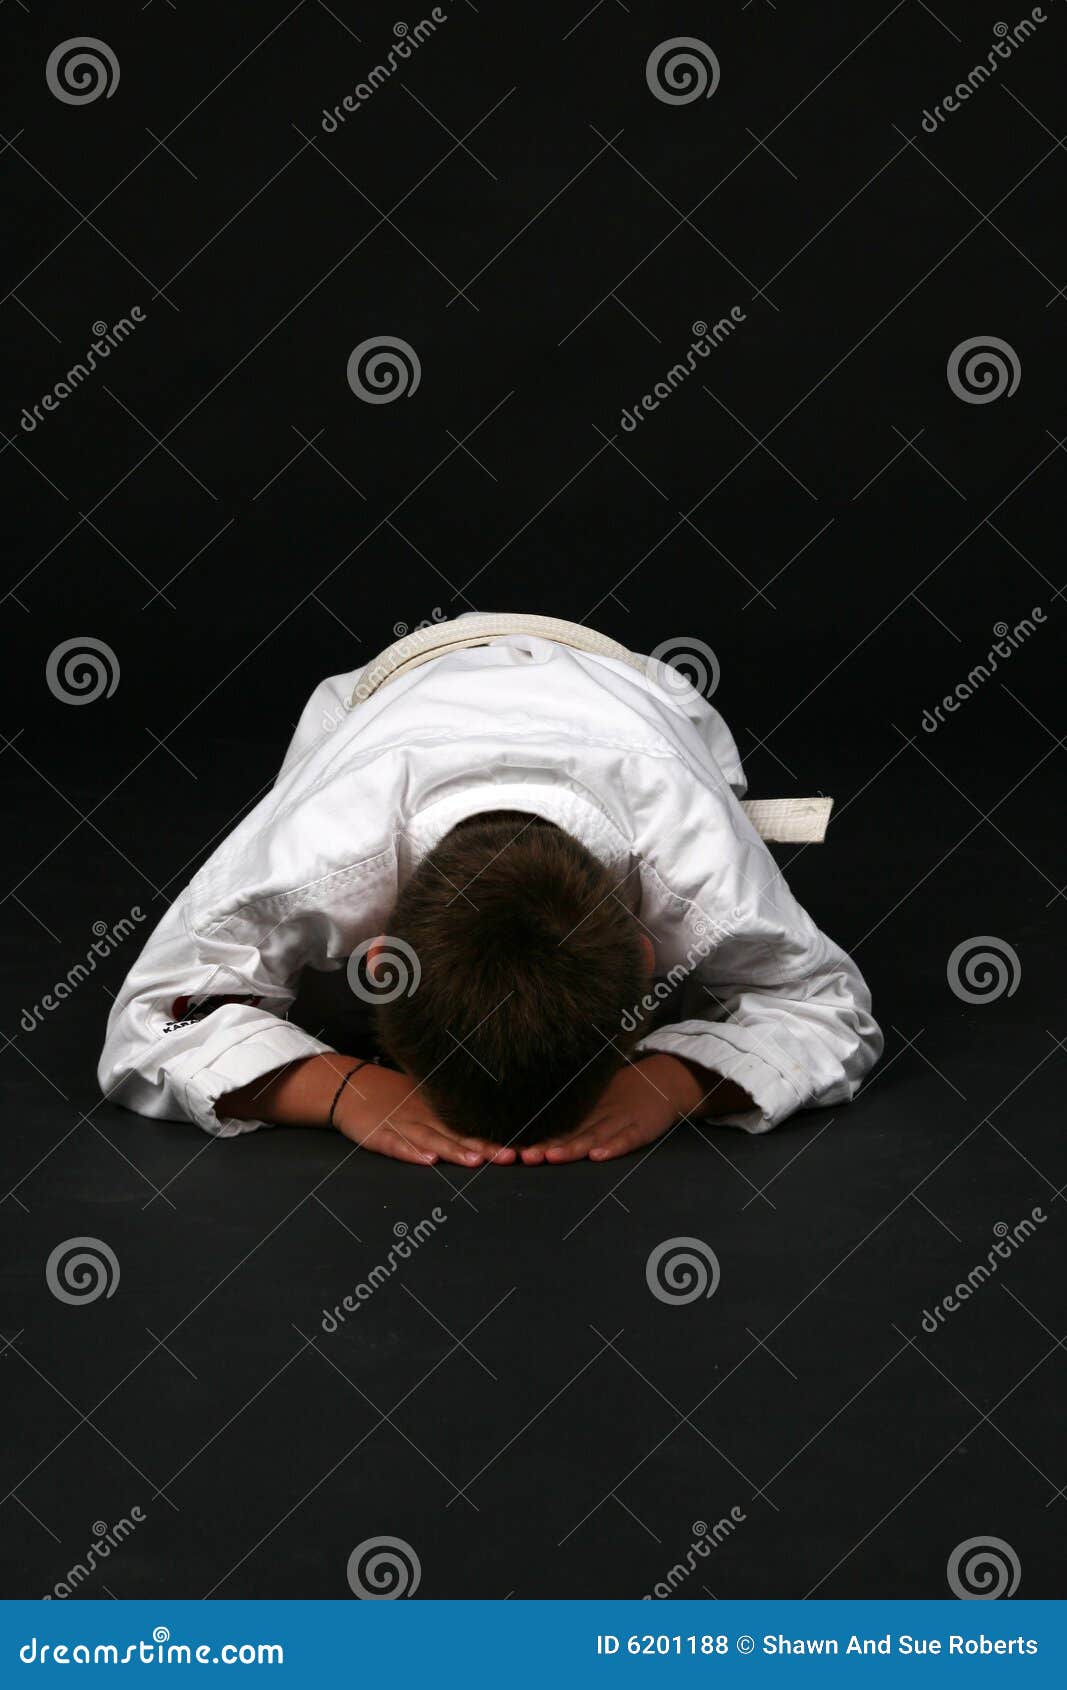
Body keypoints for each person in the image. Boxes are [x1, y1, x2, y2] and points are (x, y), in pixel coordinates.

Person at [97, 614, 882, 1168]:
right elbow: (150, 1022)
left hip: (645, 701)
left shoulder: (698, 858)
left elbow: (832, 1008)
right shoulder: (314, 851)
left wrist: (671, 1081)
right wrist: (342, 1086)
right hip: (375, 706)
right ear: (376, 963)